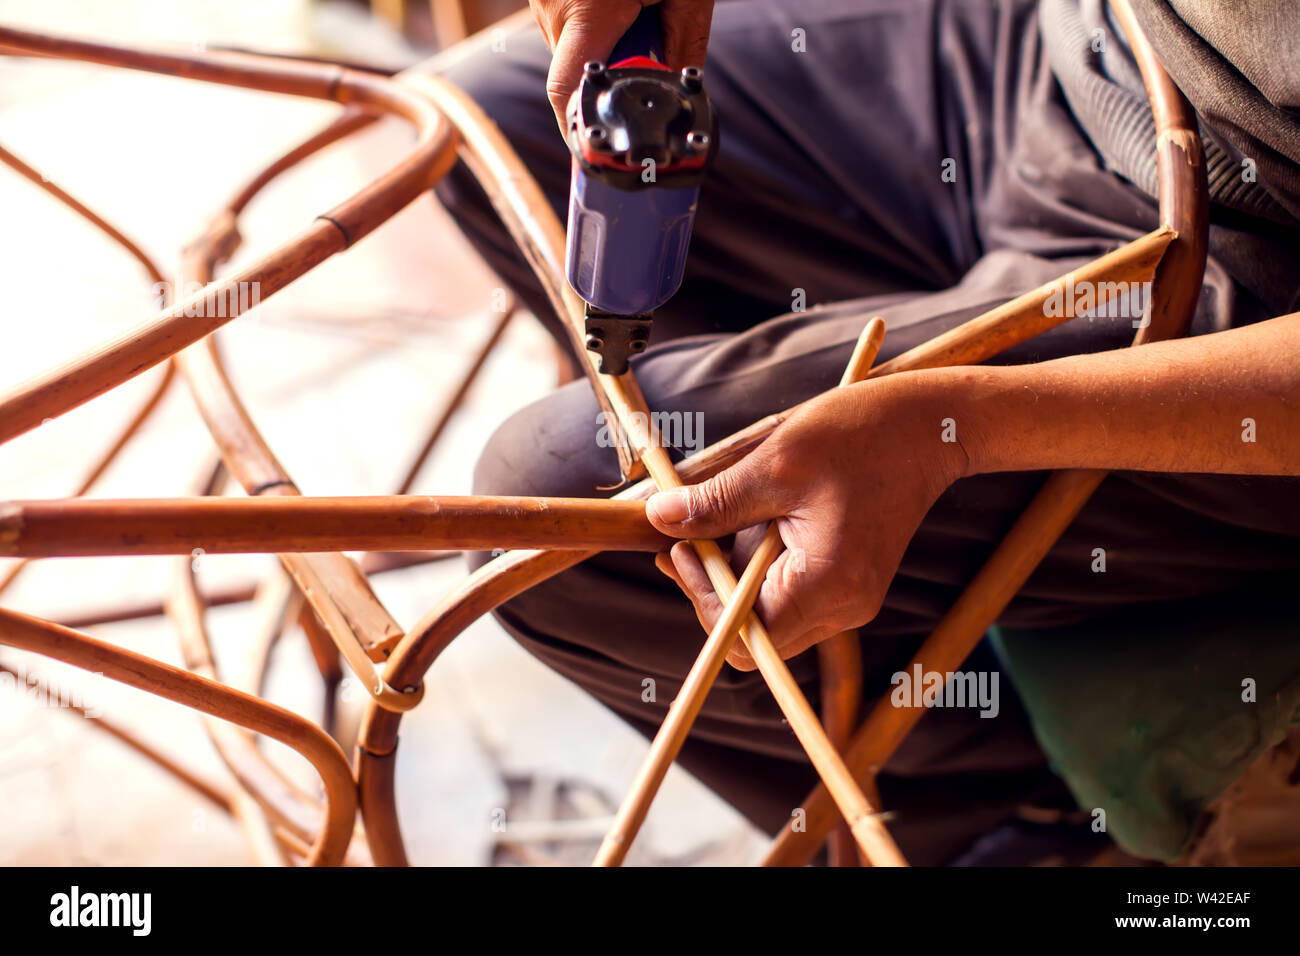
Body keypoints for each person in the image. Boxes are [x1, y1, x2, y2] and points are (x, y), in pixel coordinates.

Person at [429, 0, 1300, 863]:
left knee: (559, 502)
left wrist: (949, 430)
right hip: (1072, 41)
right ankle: (857, 533)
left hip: (1252, 272)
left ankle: (998, 807)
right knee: (496, 121)